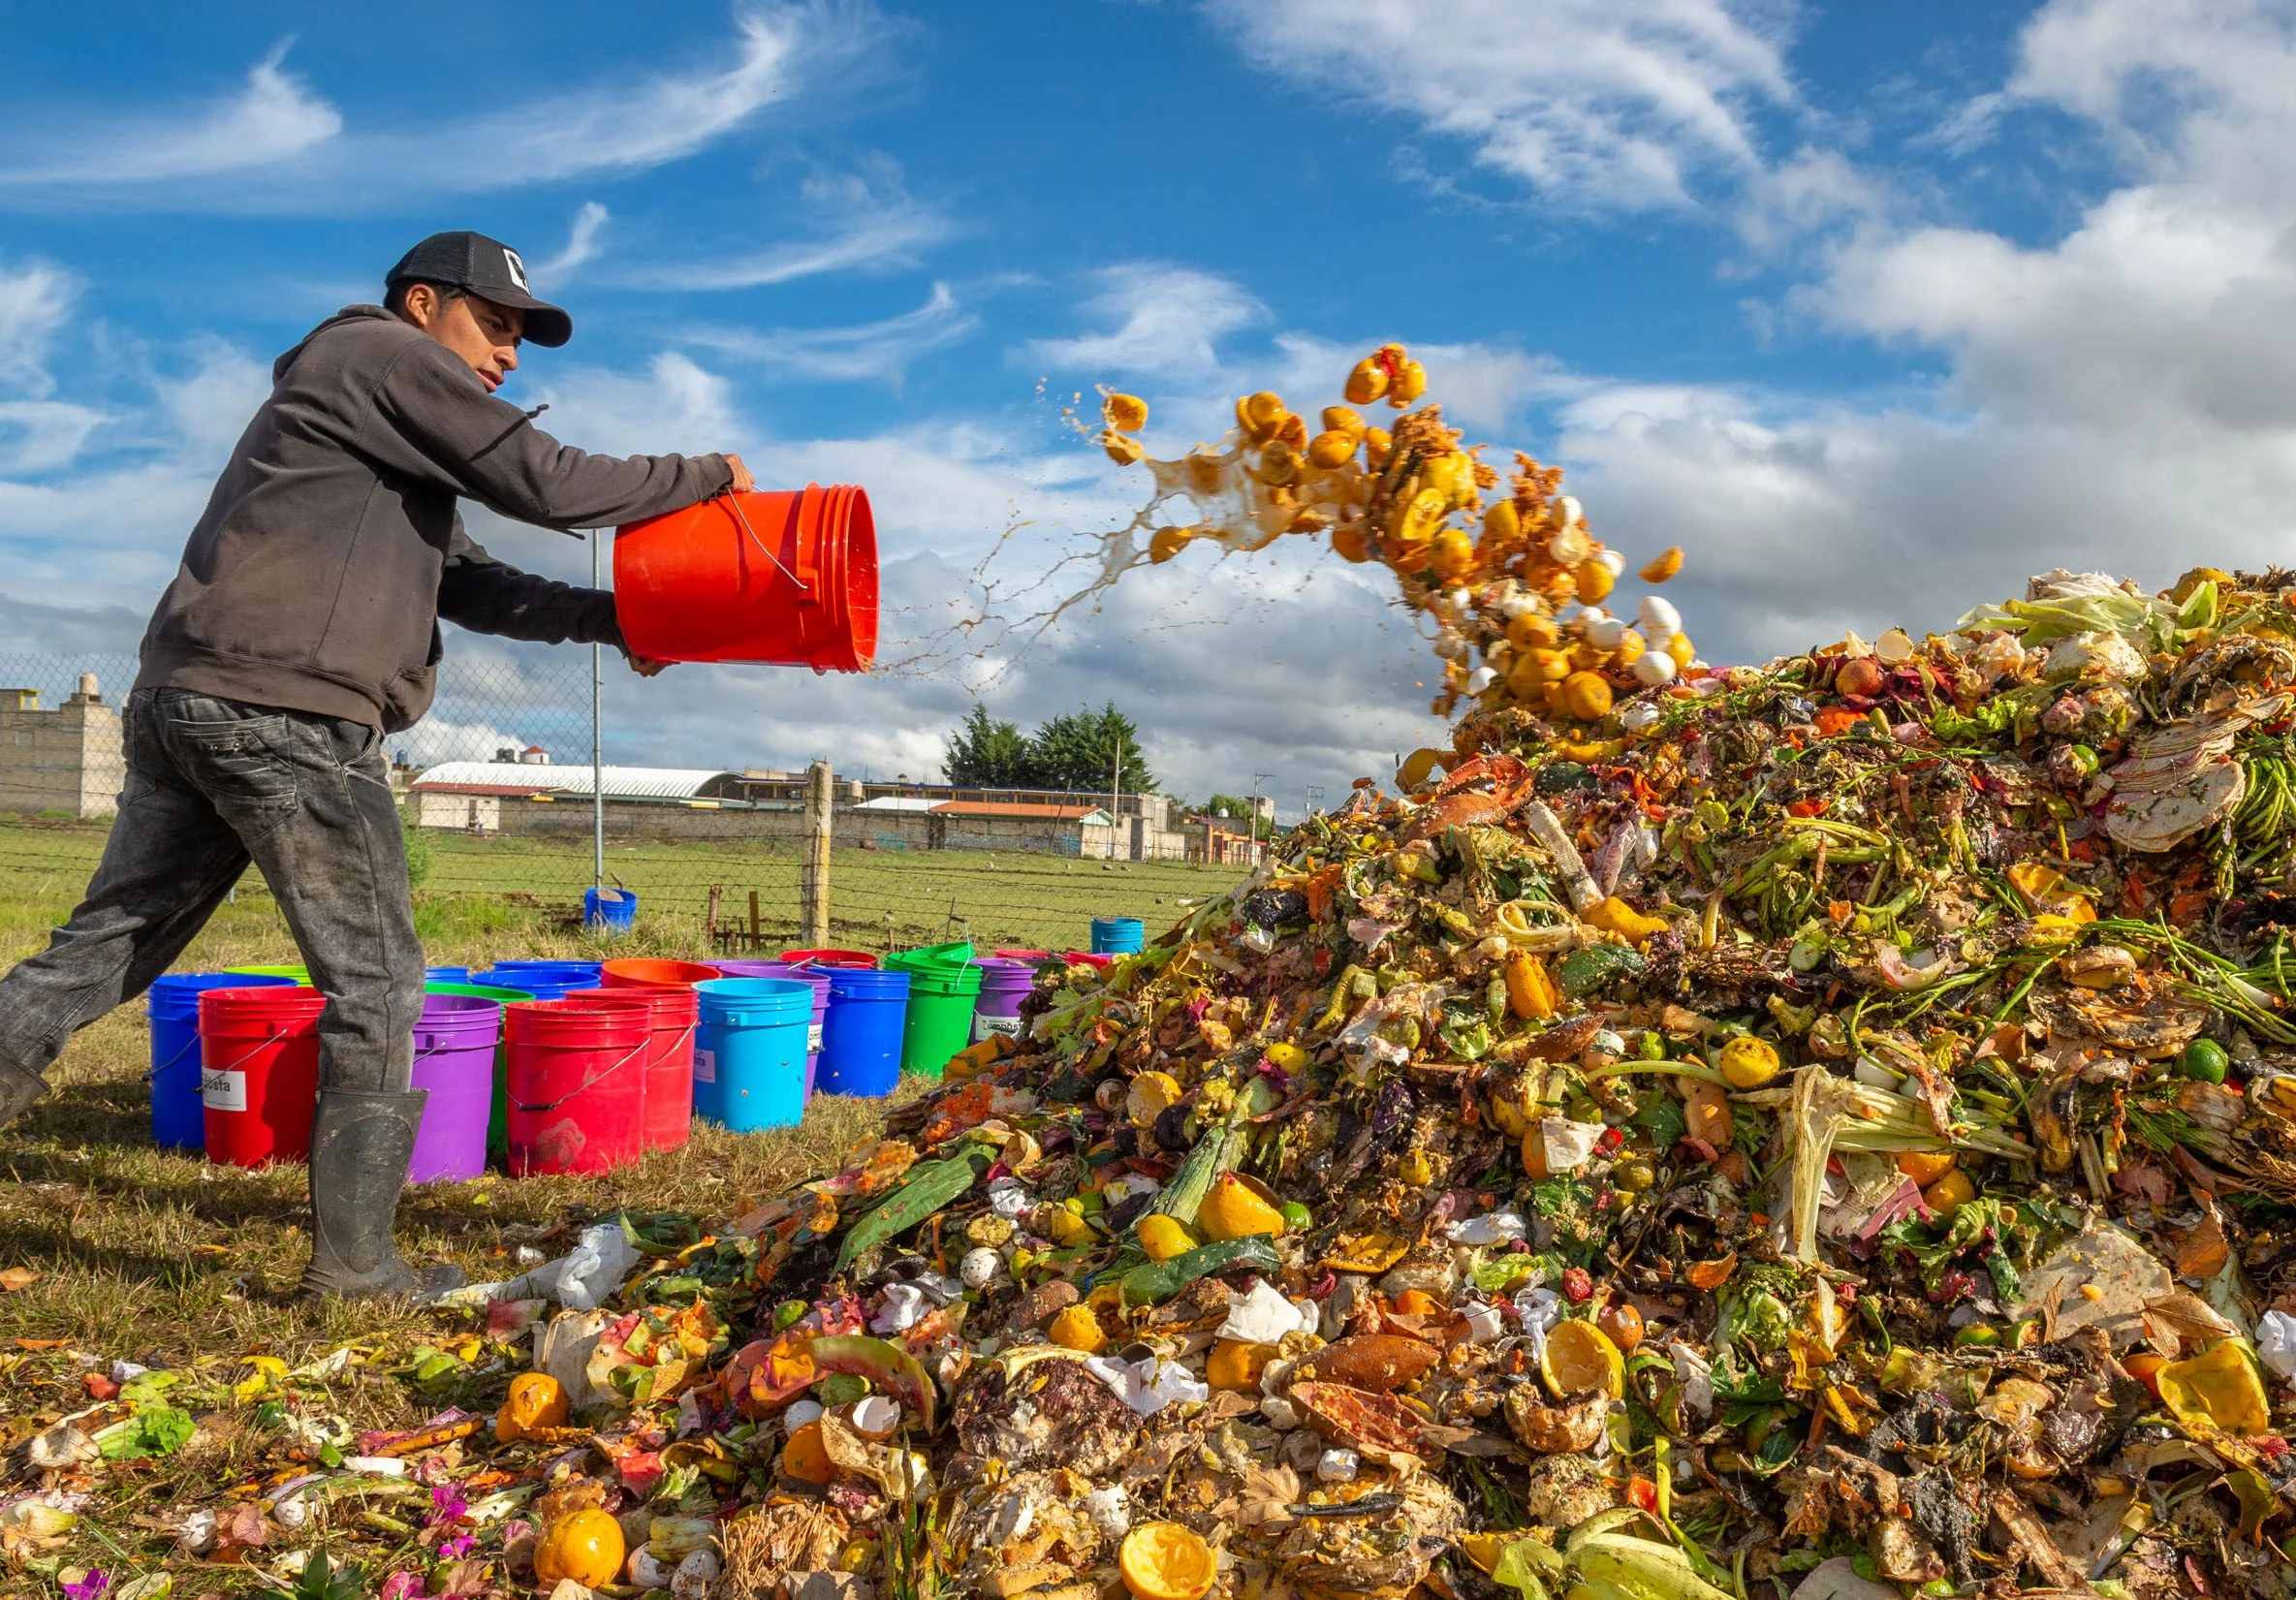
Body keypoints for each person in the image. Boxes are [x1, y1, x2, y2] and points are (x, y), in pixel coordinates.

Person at [0, 231, 752, 1297]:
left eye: (519, 337)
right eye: (494, 325)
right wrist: (704, 474)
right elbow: (546, 481)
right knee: (381, 983)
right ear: (421, 304)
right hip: (287, 712)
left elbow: (475, 585)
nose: (508, 355)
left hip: (196, 698)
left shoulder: (376, 423)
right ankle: (354, 1269)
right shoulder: (382, 356)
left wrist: (618, 619)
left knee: (104, 947)